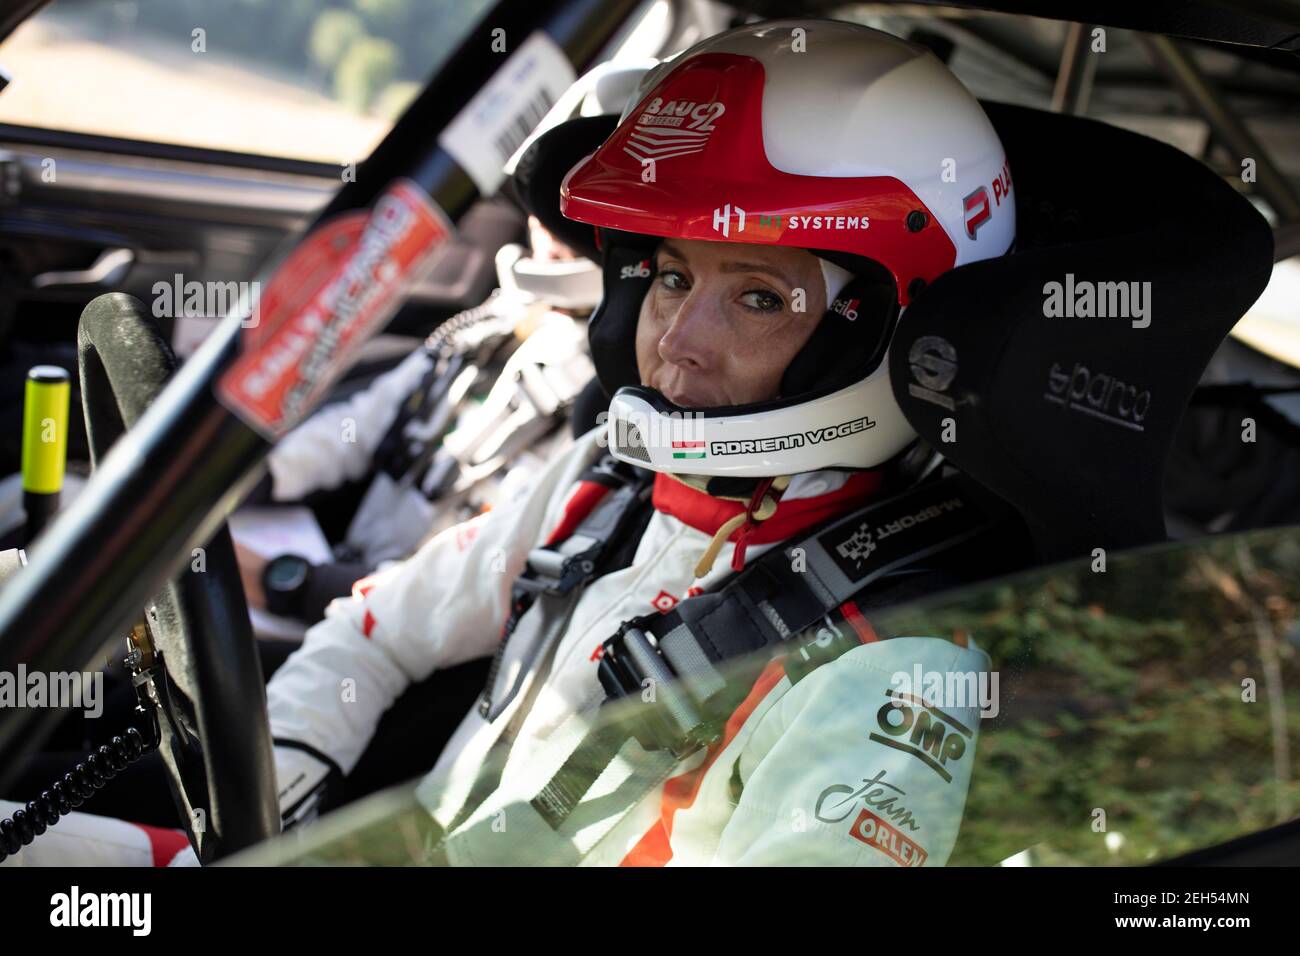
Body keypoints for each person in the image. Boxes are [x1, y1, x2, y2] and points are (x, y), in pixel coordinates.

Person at [2, 20, 1019, 867]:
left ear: (893, 326)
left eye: (757, 295)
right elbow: (381, 626)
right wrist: (281, 791)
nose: (678, 340)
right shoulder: (605, 490)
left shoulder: (893, 663)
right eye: (670, 276)